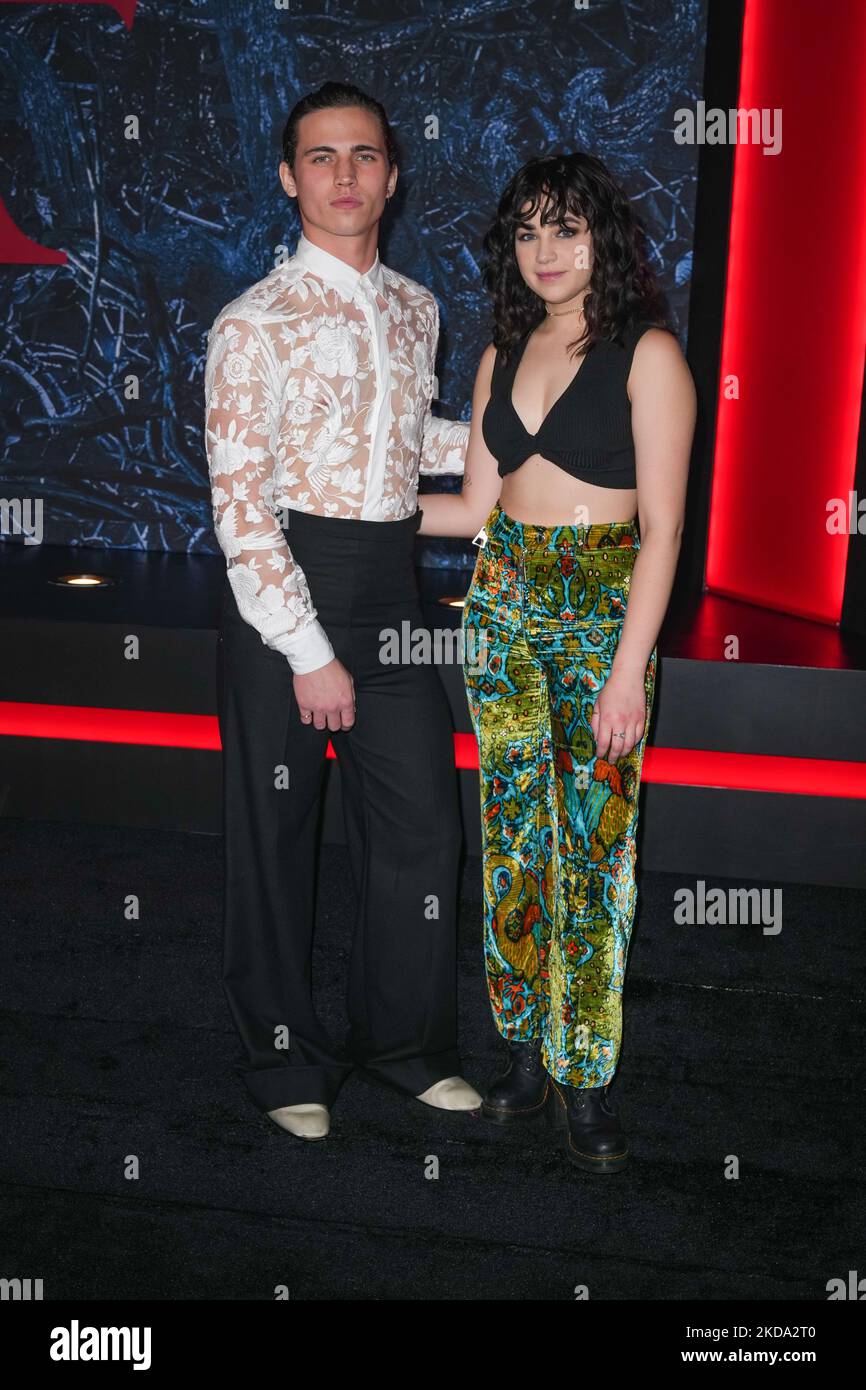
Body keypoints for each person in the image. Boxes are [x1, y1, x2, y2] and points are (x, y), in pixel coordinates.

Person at [204, 81, 482, 1140]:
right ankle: (284, 1058)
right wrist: (308, 649)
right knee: (274, 834)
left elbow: (401, 444)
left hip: (390, 585)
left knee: (420, 829)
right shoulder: (252, 322)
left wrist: (507, 437)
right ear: (288, 178)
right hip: (282, 589)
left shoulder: (417, 306)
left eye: (363, 155)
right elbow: (240, 505)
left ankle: (404, 1044)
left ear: (391, 174)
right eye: (321, 157)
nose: (344, 175)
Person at [417, 151, 696, 1172]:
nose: (544, 250)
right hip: (499, 606)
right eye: (527, 231)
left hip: (600, 606)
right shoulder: (499, 352)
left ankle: (586, 1074)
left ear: (602, 239)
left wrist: (628, 671)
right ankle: (524, 1052)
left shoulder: (646, 354)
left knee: (594, 846)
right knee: (508, 836)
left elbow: (663, 531)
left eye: (565, 229)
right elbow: (469, 512)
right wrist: (346, 506)